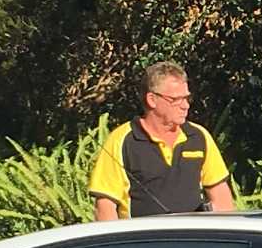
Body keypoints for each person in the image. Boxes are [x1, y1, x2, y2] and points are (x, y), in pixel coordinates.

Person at [89, 59, 237, 220]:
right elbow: (104, 205)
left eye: (187, 98)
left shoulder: (199, 136)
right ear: (152, 99)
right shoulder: (122, 140)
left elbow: (221, 198)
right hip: (143, 242)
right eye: (176, 99)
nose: (185, 106)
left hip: (194, 241)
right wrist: (117, 245)